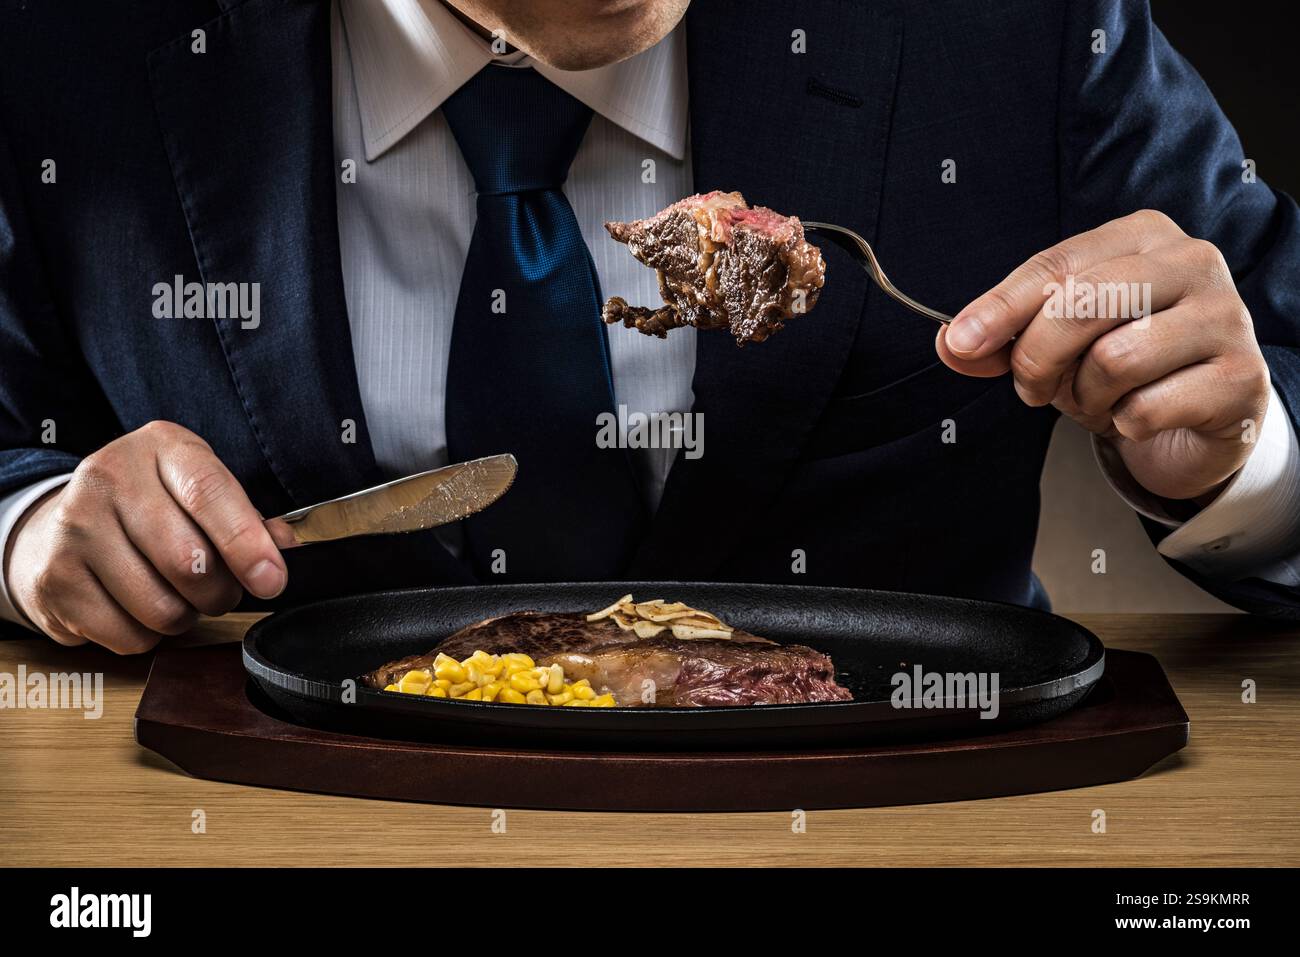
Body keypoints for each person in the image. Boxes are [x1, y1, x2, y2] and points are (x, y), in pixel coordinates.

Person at [1, 0, 1298, 654]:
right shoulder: (68, 42)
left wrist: (1249, 461)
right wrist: (32, 528)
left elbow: (1275, 355)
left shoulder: (1014, 31)